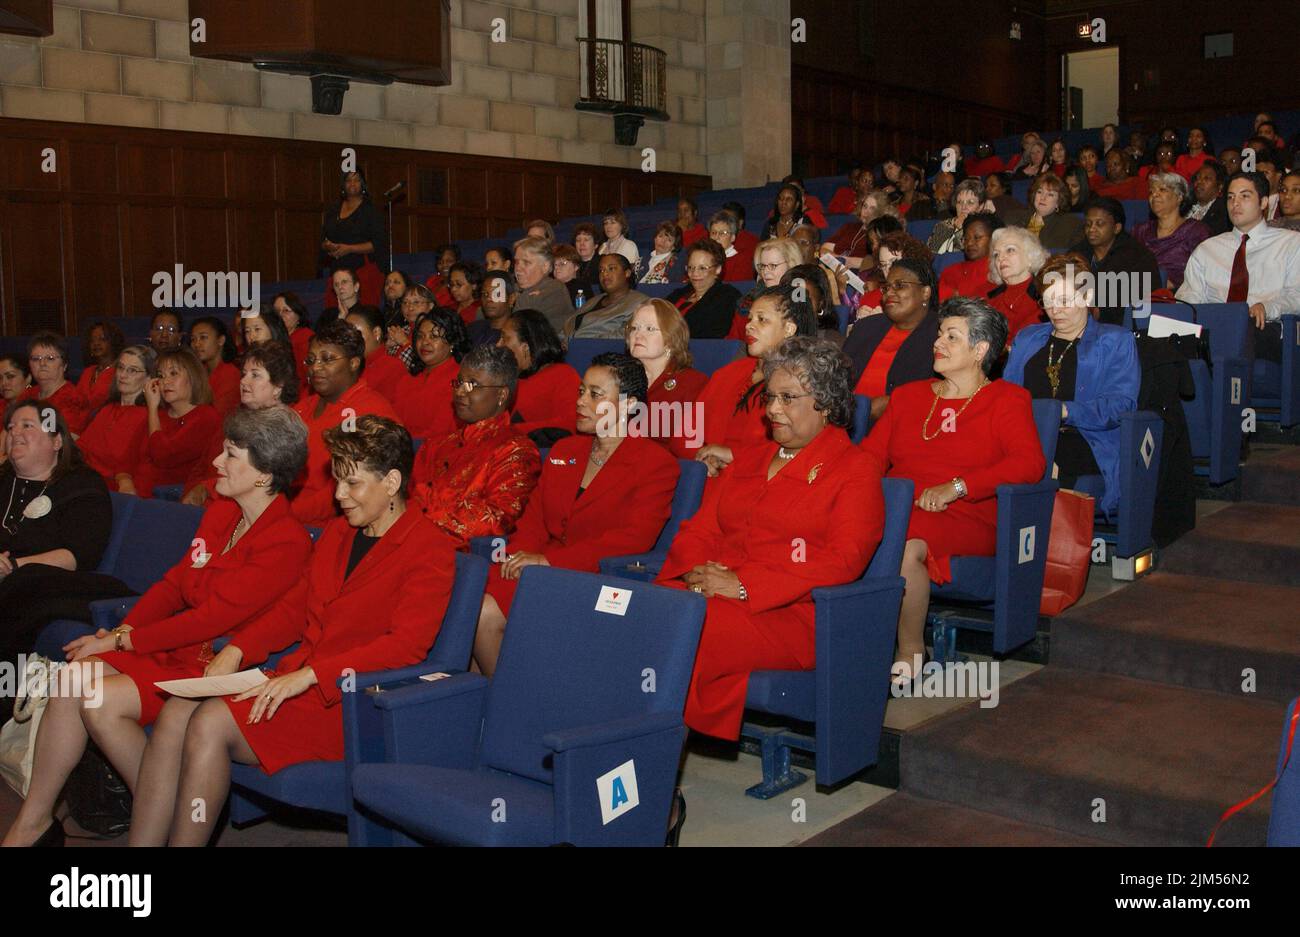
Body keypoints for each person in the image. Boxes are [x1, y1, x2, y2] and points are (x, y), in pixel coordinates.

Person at [131, 416, 455, 846]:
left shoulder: (428, 547)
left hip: (350, 704)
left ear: (392, 481)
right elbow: (293, 608)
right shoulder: (340, 533)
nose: (339, 496)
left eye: (353, 484)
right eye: (337, 481)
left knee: (210, 722)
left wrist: (311, 676)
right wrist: (239, 650)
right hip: (295, 680)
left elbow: (407, 647)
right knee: (175, 712)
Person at [1, 407, 311, 849]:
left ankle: (158, 808)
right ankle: (33, 823)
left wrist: (125, 641)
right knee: (72, 679)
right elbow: (174, 584)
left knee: (97, 699)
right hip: (175, 647)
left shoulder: (285, 539)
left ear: (263, 475)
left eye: (231, 455)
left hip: (210, 664)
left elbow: (213, 619)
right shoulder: (224, 513)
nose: (216, 464)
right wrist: (117, 632)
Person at [656, 337, 884, 739]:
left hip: (789, 615)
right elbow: (702, 527)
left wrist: (743, 586)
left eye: (788, 398)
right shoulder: (752, 457)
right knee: (635, 616)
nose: (773, 409)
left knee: (675, 633)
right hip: (714, 594)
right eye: (770, 397)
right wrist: (695, 574)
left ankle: (651, 779)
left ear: (826, 404)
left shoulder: (854, 469)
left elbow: (843, 561)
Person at [861, 298, 1045, 683]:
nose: (937, 343)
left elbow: (1029, 464)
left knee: (906, 542)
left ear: (980, 350)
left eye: (951, 336)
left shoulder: (1007, 400)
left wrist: (959, 487)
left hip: (967, 514)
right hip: (902, 507)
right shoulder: (910, 396)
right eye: (939, 334)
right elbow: (870, 458)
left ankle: (911, 651)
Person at [473, 353, 680, 675]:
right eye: (581, 391)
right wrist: (516, 557)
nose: (581, 401)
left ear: (628, 405)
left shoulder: (655, 464)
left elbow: (633, 539)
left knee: (483, 610)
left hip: (594, 578)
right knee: (467, 593)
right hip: (543, 569)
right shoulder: (565, 451)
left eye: (595, 394)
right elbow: (534, 517)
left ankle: (515, 706)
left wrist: (549, 562)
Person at [0, 402, 125, 726]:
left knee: (22, 585)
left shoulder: (81, 486)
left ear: (57, 441)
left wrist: (14, 565)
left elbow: (78, 555)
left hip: (55, 582)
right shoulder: (4, 481)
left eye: (28, 425)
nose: (16, 433)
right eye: (11, 427)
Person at [1004, 253, 1139, 517]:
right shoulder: (1028, 338)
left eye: (1065, 300)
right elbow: (1007, 395)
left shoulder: (1115, 340)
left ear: (1087, 297)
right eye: (1049, 301)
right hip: (1027, 436)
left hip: (1085, 437)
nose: (1055, 310)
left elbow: (1121, 405)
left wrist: (1065, 412)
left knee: (1045, 457)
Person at [409, 345, 540, 547]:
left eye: (473, 385)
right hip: (409, 544)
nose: (460, 391)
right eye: (459, 382)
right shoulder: (437, 445)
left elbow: (494, 520)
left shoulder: (517, 451)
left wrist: (416, 528)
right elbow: (409, 498)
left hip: (452, 555)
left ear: (502, 395)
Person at [694, 284, 817, 478]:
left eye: (762, 319)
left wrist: (734, 456)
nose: (749, 325)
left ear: (789, 329)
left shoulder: (802, 385)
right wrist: (701, 457)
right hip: (703, 476)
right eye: (750, 318)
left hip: (757, 483)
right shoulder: (727, 373)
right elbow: (688, 429)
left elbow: (798, 451)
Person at [1177, 171, 1300, 364]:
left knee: (1241, 332)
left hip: (1264, 328)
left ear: (1264, 202)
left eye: (1245, 196)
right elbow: (1189, 298)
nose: (1235, 203)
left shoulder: (1291, 244)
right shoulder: (1207, 249)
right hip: (1214, 326)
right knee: (1160, 338)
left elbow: (1296, 296)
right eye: (1230, 197)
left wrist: (1267, 308)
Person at [290, 320, 399, 526]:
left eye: (327, 359)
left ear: (353, 363)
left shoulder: (372, 413)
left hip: (328, 525)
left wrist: (284, 515)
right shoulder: (302, 407)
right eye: (311, 360)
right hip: (287, 512)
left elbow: (347, 492)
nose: (315, 367)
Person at [181, 341, 301, 508]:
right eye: (244, 374)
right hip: (208, 505)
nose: (244, 381)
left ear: (278, 385)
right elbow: (202, 467)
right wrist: (196, 490)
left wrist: (209, 488)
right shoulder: (236, 418)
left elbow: (269, 485)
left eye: (255, 375)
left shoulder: (286, 429)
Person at [844, 259, 941, 421]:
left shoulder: (941, 336)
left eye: (900, 285)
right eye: (886, 287)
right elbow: (835, 377)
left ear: (925, 292)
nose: (889, 293)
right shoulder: (866, 327)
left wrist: (887, 405)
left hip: (897, 428)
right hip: (843, 420)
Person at [118, 347, 220, 498]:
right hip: (133, 497)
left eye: (173, 373)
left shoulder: (206, 416)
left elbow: (162, 456)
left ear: (193, 377)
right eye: (160, 375)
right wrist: (125, 482)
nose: (165, 381)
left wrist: (152, 408)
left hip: (166, 502)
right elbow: (126, 461)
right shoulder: (159, 416)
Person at [625, 299, 709, 458]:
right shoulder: (619, 379)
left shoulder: (693, 384)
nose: (638, 334)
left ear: (671, 339)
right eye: (634, 328)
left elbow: (690, 449)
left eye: (649, 329)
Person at [1070, 196, 1164, 325]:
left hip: (1121, 327)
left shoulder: (1138, 257)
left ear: (1116, 228)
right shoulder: (1077, 253)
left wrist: (1099, 309)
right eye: (1088, 224)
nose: (1091, 229)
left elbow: (1141, 301)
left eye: (1099, 224)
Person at [77, 344, 156, 488]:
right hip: (87, 479)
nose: (123, 375)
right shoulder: (107, 409)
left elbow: (123, 463)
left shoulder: (149, 416)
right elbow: (81, 448)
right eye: (120, 367)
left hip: (114, 487)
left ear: (148, 378)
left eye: (132, 370)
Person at [496, 308, 580, 443]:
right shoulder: (505, 378)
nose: (498, 344)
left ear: (526, 347)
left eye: (504, 338)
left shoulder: (563, 375)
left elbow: (570, 424)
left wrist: (510, 431)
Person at [394, 308, 469, 441]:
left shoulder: (459, 380)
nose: (425, 342)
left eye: (433, 337)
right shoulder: (408, 378)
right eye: (421, 336)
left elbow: (441, 433)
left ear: (451, 341)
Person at [1128, 178, 1210, 294]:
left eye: (1162, 190)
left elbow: (1205, 271)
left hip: (1182, 297)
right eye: (1151, 192)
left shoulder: (1197, 231)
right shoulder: (1140, 231)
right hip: (1141, 295)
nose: (1154, 195)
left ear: (1179, 197)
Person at [320, 169, 387, 310]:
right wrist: (329, 246)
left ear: (363, 184)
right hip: (337, 268)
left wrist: (348, 248)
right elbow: (324, 238)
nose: (352, 183)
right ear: (343, 185)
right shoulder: (333, 210)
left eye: (356, 180)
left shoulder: (370, 210)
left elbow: (378, 243)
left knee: (363, 312)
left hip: (362, 268)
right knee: (334, 312)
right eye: (348, 180)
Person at [666, 239, 742, 339]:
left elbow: (713, 334)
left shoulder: (726, 296)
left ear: (718, 269)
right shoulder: (680, 293)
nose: (695, 273)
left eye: (702, 268)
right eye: (691, 267)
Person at [563, 254, 649, 339]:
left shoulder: (640, 303)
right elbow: (569, 325)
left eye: (611, 268)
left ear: (627, 273)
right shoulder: (594, 300)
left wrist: (581, 343)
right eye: (601, 270)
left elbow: (626, 334)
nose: (605, 274)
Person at [20, 332, 89, 435]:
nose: (42, 363)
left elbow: (67, 441)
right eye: (36, 359)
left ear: (64, 365)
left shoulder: (73, 399)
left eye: (50, 358)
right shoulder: (27, 395)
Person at [986, 226, 1048, 341]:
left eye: (1010, 250)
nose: (1000, 258)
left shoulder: (1044, 298)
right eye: (996, 254)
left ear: (1030, 257)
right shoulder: (989, 301)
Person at [344, 305, 408, 405]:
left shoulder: (392, 368)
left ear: (376, 333)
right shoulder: (349, 364)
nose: (348, 340)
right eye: (346, 334)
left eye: (355, 333)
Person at [512, 236, 575, 335]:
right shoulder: (511, 289)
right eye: (516, 262)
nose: (518, 269)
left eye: (526, 262)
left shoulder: (555, 290)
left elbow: (523, 330)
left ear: (545, 266)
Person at [1005, 174, 1082, 249]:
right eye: (1039, 192)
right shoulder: (1013, 217)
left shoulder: (1069, 224)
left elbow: (1073, 257)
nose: (1043, 198)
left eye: (1050, 194)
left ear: (1058, 202)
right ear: (1034, 195)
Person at [939, 212, 1002, 300]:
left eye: (977, 237)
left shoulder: (1003, 270)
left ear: (994, 239)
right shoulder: (951, 272)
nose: (969, 243)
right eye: (966, 239)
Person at [188, 316, 240, 417]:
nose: (196, 344)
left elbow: (216, 415)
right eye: (193, 339)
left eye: (203, 337)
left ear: (221, 340)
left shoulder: (230, 374)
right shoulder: (197, 371)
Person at [385, 283, 435, 372]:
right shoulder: (403, 330)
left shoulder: (436, 331)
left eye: (416, 302)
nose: (410, 308)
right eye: (405, 303)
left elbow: (421, 367)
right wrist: (387, 347)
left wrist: (404, 343)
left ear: (431, 306)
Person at [927, 179, 985, 254]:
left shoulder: (984, 230)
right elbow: (931, 254)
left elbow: (970, 255)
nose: (963, 207)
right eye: (959, 202)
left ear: (980, 206)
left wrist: (960, 231)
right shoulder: (943, 226)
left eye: (970, 202)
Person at [77, 321, 124, 412]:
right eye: (92, 340)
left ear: (113, 342)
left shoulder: (120, 372)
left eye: (102, 339)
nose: (96, 343)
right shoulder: (87, 372)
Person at [469, 270, 517, 347]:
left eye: (497, 294)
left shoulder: (515, 337)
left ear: (511, 299)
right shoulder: (474, 329)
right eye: (485, 294)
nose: (488, 299)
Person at [1185, 160, 1232, 236]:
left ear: (1220, 186)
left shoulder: (1224, 211)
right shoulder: (1185, 205)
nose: (1199, 182)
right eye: (1198, 178)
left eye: (1206, 178)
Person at [0, 355, 32, 458]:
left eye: (10, 376)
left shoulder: (33, 408)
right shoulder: (2, 405)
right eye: (0, 378)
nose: (4, 383)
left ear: (28, 379)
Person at [598, 208, 642, 276]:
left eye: (613, 222)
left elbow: (630, 274)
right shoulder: (602, 247)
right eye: (606, 223)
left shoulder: (629, 245)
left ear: (622, 225)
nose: (608, 226)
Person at [640, 220, 683, 285]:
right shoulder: (641, 260)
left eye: (669, 240)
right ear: (655, 238)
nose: (663, 241)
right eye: (660, 236)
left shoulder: (674, 264)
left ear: (674, 246)